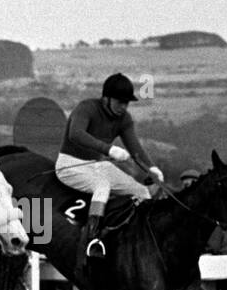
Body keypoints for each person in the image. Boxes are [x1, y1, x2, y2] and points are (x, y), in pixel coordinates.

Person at [56, 72, 164, 260]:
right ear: (106, 99)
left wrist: (151, 168)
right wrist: (108, 149)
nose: (123, 107)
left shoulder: (124, 119)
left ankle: (145, 239)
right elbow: (76, 134)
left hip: (97, 165)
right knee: (102, 186)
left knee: (140, 191)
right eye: (119, 102)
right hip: (69, 163)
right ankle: (92, 237)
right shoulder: (87, 108)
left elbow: (135, 147)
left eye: (126, 103)